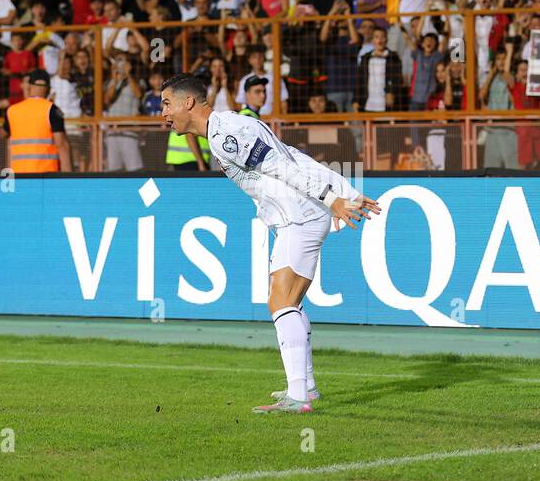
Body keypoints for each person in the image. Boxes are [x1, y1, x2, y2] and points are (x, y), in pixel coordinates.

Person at [159, 73, 381, 414]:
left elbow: (284, 167)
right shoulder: (226, 129)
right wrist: (340, 191)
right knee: (288, 300)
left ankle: (299, 397)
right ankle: (305, 386)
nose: (163, 113)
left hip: (300, 215)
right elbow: (293, 156)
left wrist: (331, 198)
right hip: (296, 215)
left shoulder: (226, 134)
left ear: (188, 102)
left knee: (280, 301)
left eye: (166, 104)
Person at [3, 70, 72, 173]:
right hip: (46, 176)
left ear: (29, 86)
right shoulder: (52, 110)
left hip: (18, 175)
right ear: (48, 89)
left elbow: (5, 137)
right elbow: (61, 143)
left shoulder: (12, 110)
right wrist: (68, 177)